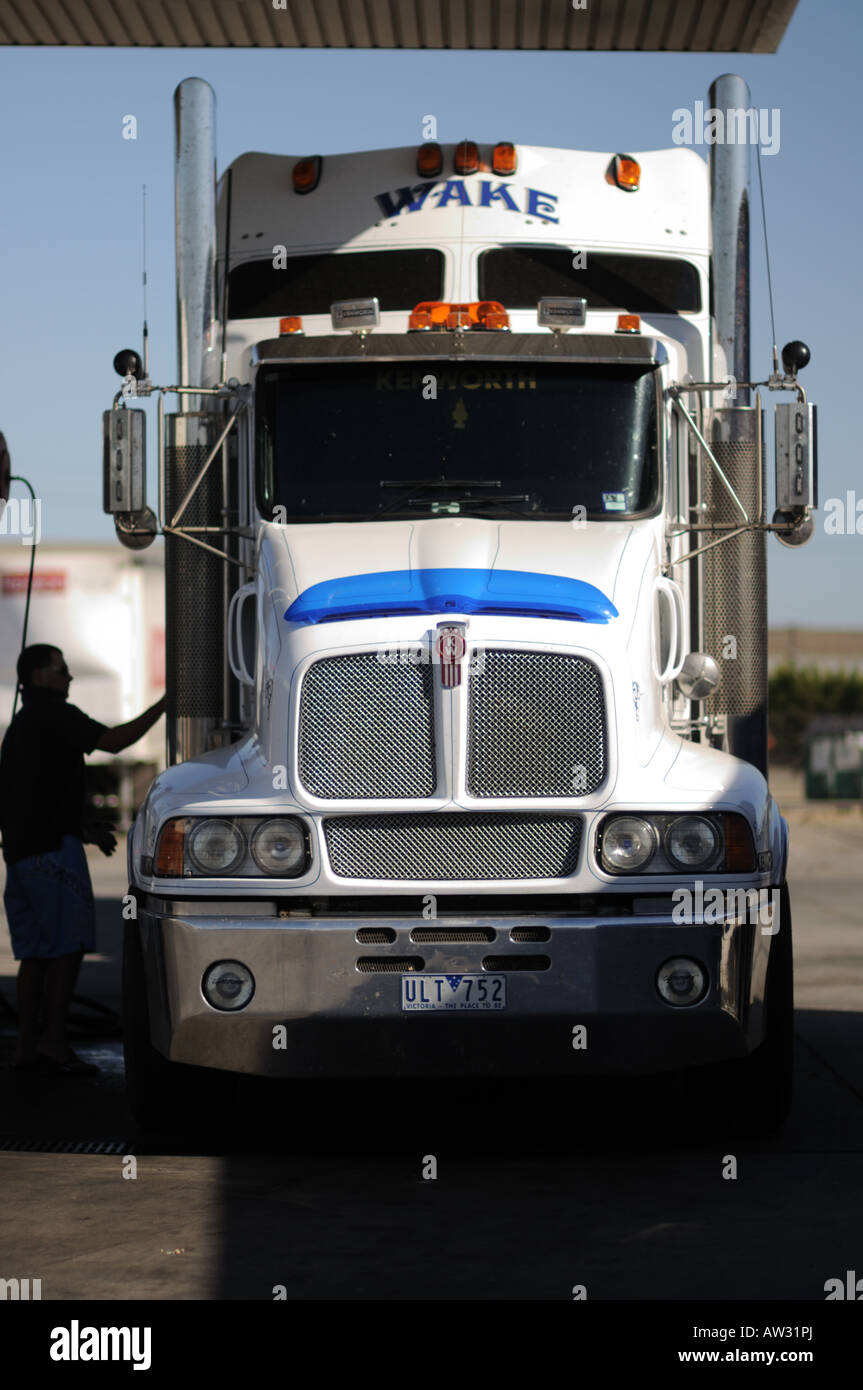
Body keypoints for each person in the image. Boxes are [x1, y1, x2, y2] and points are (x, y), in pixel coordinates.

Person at [0, 644, 166, 1075]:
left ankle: (27, 1048)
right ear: (40, 676)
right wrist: (167, 704)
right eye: (62, 670)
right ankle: (55, 1043)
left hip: (21, 858)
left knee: (35, 955)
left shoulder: (21, 725)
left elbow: (37, 793)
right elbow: (114, 741)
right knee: (67, 951)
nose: (70, 677)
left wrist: (85, 827)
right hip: (53, 857)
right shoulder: (57, 715)